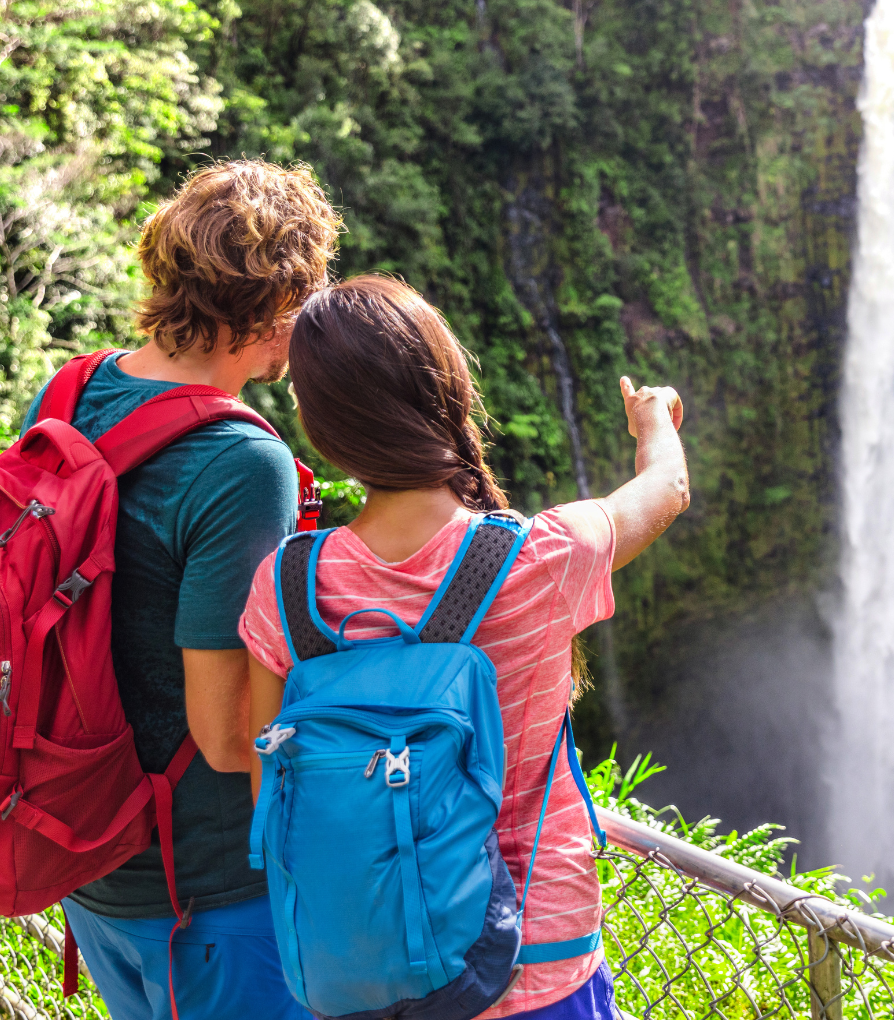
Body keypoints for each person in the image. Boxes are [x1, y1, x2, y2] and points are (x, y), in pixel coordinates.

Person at [238, 273, 690, 1020]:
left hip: (365, 979)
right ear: (444, 388)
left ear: (323, 428)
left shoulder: (284, 589)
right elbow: (666, 487)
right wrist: (653, 420)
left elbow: (271, 787)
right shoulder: (539, 559)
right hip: (538, 969)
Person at [20, 160, 342, 1019]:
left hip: (82, 850)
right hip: (204, 891)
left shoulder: (72, 388)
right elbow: (229, 733)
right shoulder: (244, 462)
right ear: (277, 309)